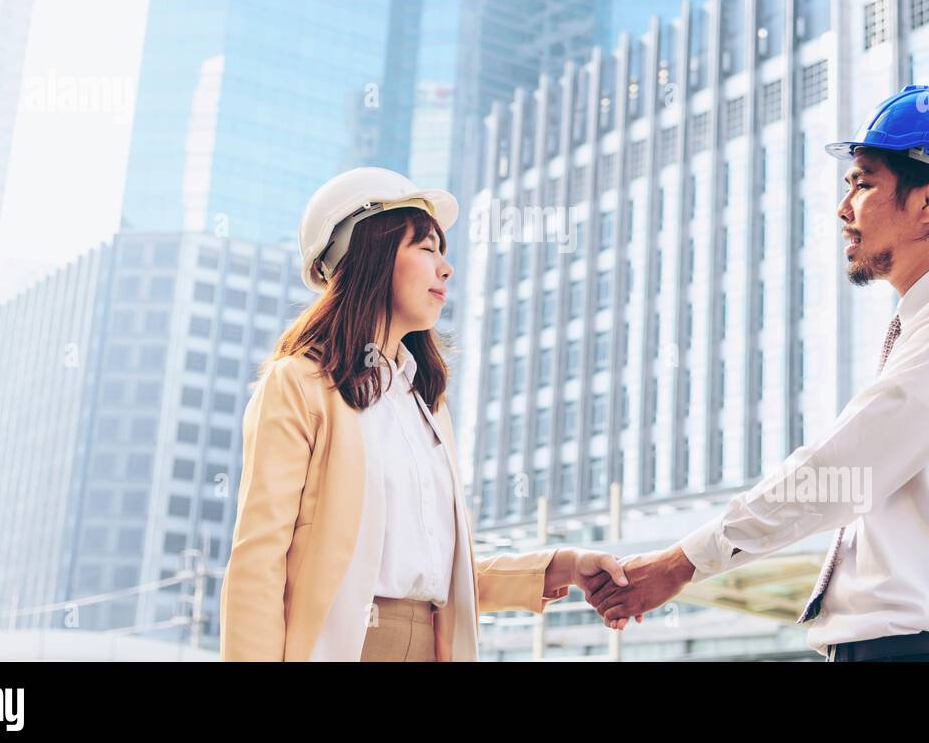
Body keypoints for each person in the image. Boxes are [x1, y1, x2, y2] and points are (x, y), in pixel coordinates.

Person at [587, 85, 929, 662]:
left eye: (863, 182)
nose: (843, 207)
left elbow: (841, 470)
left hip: (926, 653)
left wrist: (680, 564)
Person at [219, 166, 627, 661]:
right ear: (370, 253)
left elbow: (437, 575)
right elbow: (258, 562)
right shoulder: (298, 385)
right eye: (426, 248)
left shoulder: (424, 403)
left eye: (443, 252)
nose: (445, 268)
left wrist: (560, 565)